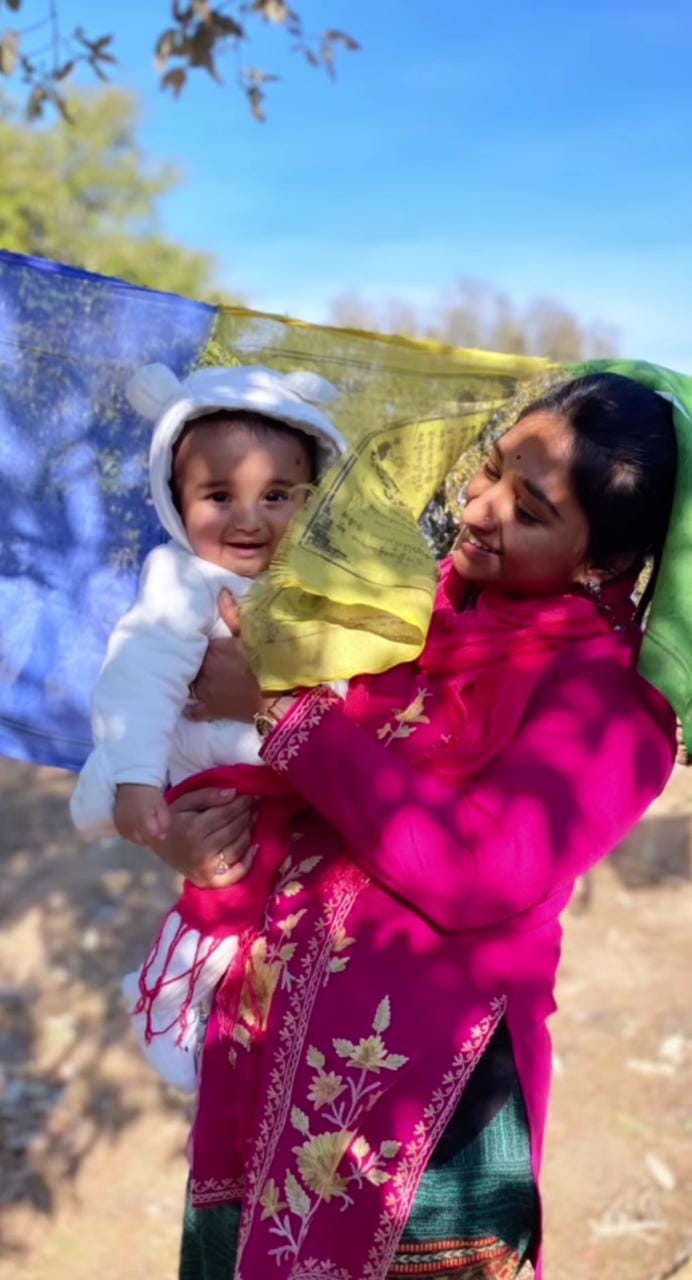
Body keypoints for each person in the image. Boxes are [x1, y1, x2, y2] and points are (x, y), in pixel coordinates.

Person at [132, 368, 684, 1280]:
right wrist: (189, 842)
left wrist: (281, 711)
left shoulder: (613, 708)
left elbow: (482, 871)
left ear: (605, 561)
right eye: (493, 469)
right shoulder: (395, 610)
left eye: (531, 509)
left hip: (420, 1130)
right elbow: (261, 784)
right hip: (262, 1067)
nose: (478, 508)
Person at [70, 361, 346, 1091]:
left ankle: (260, 1019)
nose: (250, 518)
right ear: (175, 498)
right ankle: (172, 997)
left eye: (276, 495)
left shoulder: (321, 586)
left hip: (296, 774)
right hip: (221, 775)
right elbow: (141, 674)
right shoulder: (184, 581)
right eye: (219, 496)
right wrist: (134, 779)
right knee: (224, 889)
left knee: (291, 915)